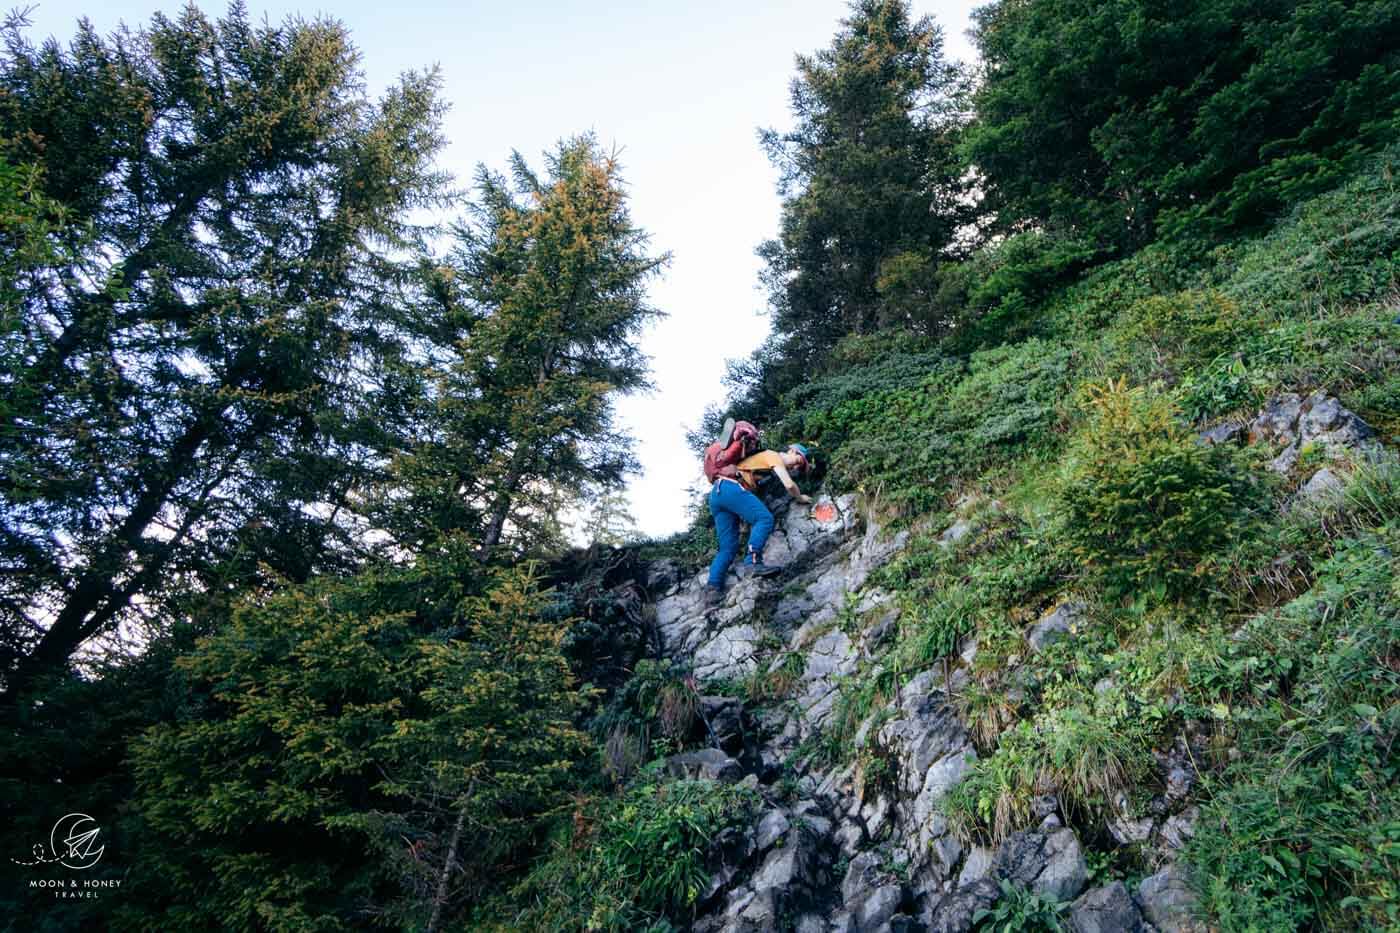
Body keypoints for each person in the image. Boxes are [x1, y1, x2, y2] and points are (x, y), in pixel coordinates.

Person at [704, 420, 813, 608]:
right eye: (798, 462)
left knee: (728, 548)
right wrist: (800, 497)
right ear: (792, 452)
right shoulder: (772, 455)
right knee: (764, 518)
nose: (795, 468)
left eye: (799, 468)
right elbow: (788, 484)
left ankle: (712, 589)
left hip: (717, 494)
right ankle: (753, 563)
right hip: (731, 487)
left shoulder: (760, 465)